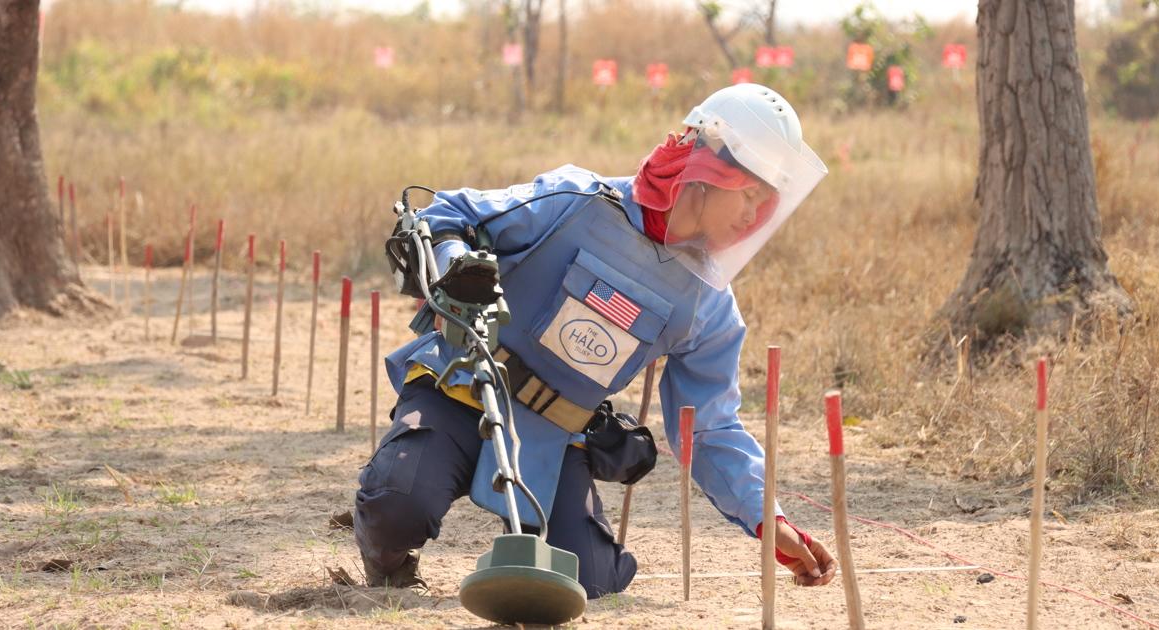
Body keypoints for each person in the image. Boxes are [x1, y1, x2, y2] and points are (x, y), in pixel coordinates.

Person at [354, 83, 837, 599]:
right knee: (396, 506)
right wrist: (457, 265)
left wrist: (768, 521)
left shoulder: (709, 305)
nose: (752, 218)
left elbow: (712, 428)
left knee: (586, 583)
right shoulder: (576, 201)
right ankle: (387, 556)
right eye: (748, 196)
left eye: (765, 204)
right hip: (462, 388)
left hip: (554, 437)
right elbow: (448, 214)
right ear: (708, 173)